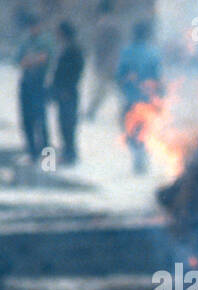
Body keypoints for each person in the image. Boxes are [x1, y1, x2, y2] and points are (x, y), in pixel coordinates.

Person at [116, 21, 162, 175]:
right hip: (148, 99)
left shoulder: (126, 52)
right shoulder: (153, 53)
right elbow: (158, 78)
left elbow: (119, 76)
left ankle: (138, 156)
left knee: (130, 130)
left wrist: (125, 84)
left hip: (130, 98)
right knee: (144, 129)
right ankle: (141, 154)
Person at [16, 12, 53, 162]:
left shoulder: (45, 40)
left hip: (40, 83)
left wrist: (31, 60)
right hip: (26, 82)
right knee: (27, 120)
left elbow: (45, 58)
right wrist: (33, 60)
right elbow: (19, 60)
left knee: (41, 120)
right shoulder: (25, 41)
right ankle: (32, 152)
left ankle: (47, 157)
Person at [49, 22, 85, 166]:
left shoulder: (74, 50)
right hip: (62, 92)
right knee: (63, 124)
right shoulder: (65, 49)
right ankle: (67, 152)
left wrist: (66, 89)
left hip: (68, 93)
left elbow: (75, 72)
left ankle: (70, 154)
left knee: (68, 124)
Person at [84, 0, 123, 121]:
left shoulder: (104, 24)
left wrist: (97, 62)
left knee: (100, 89)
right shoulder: (114, 23)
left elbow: (99, 46)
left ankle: (91, 111)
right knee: (117, 89)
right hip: (114, 61)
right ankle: (125, 113)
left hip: (106, 62)